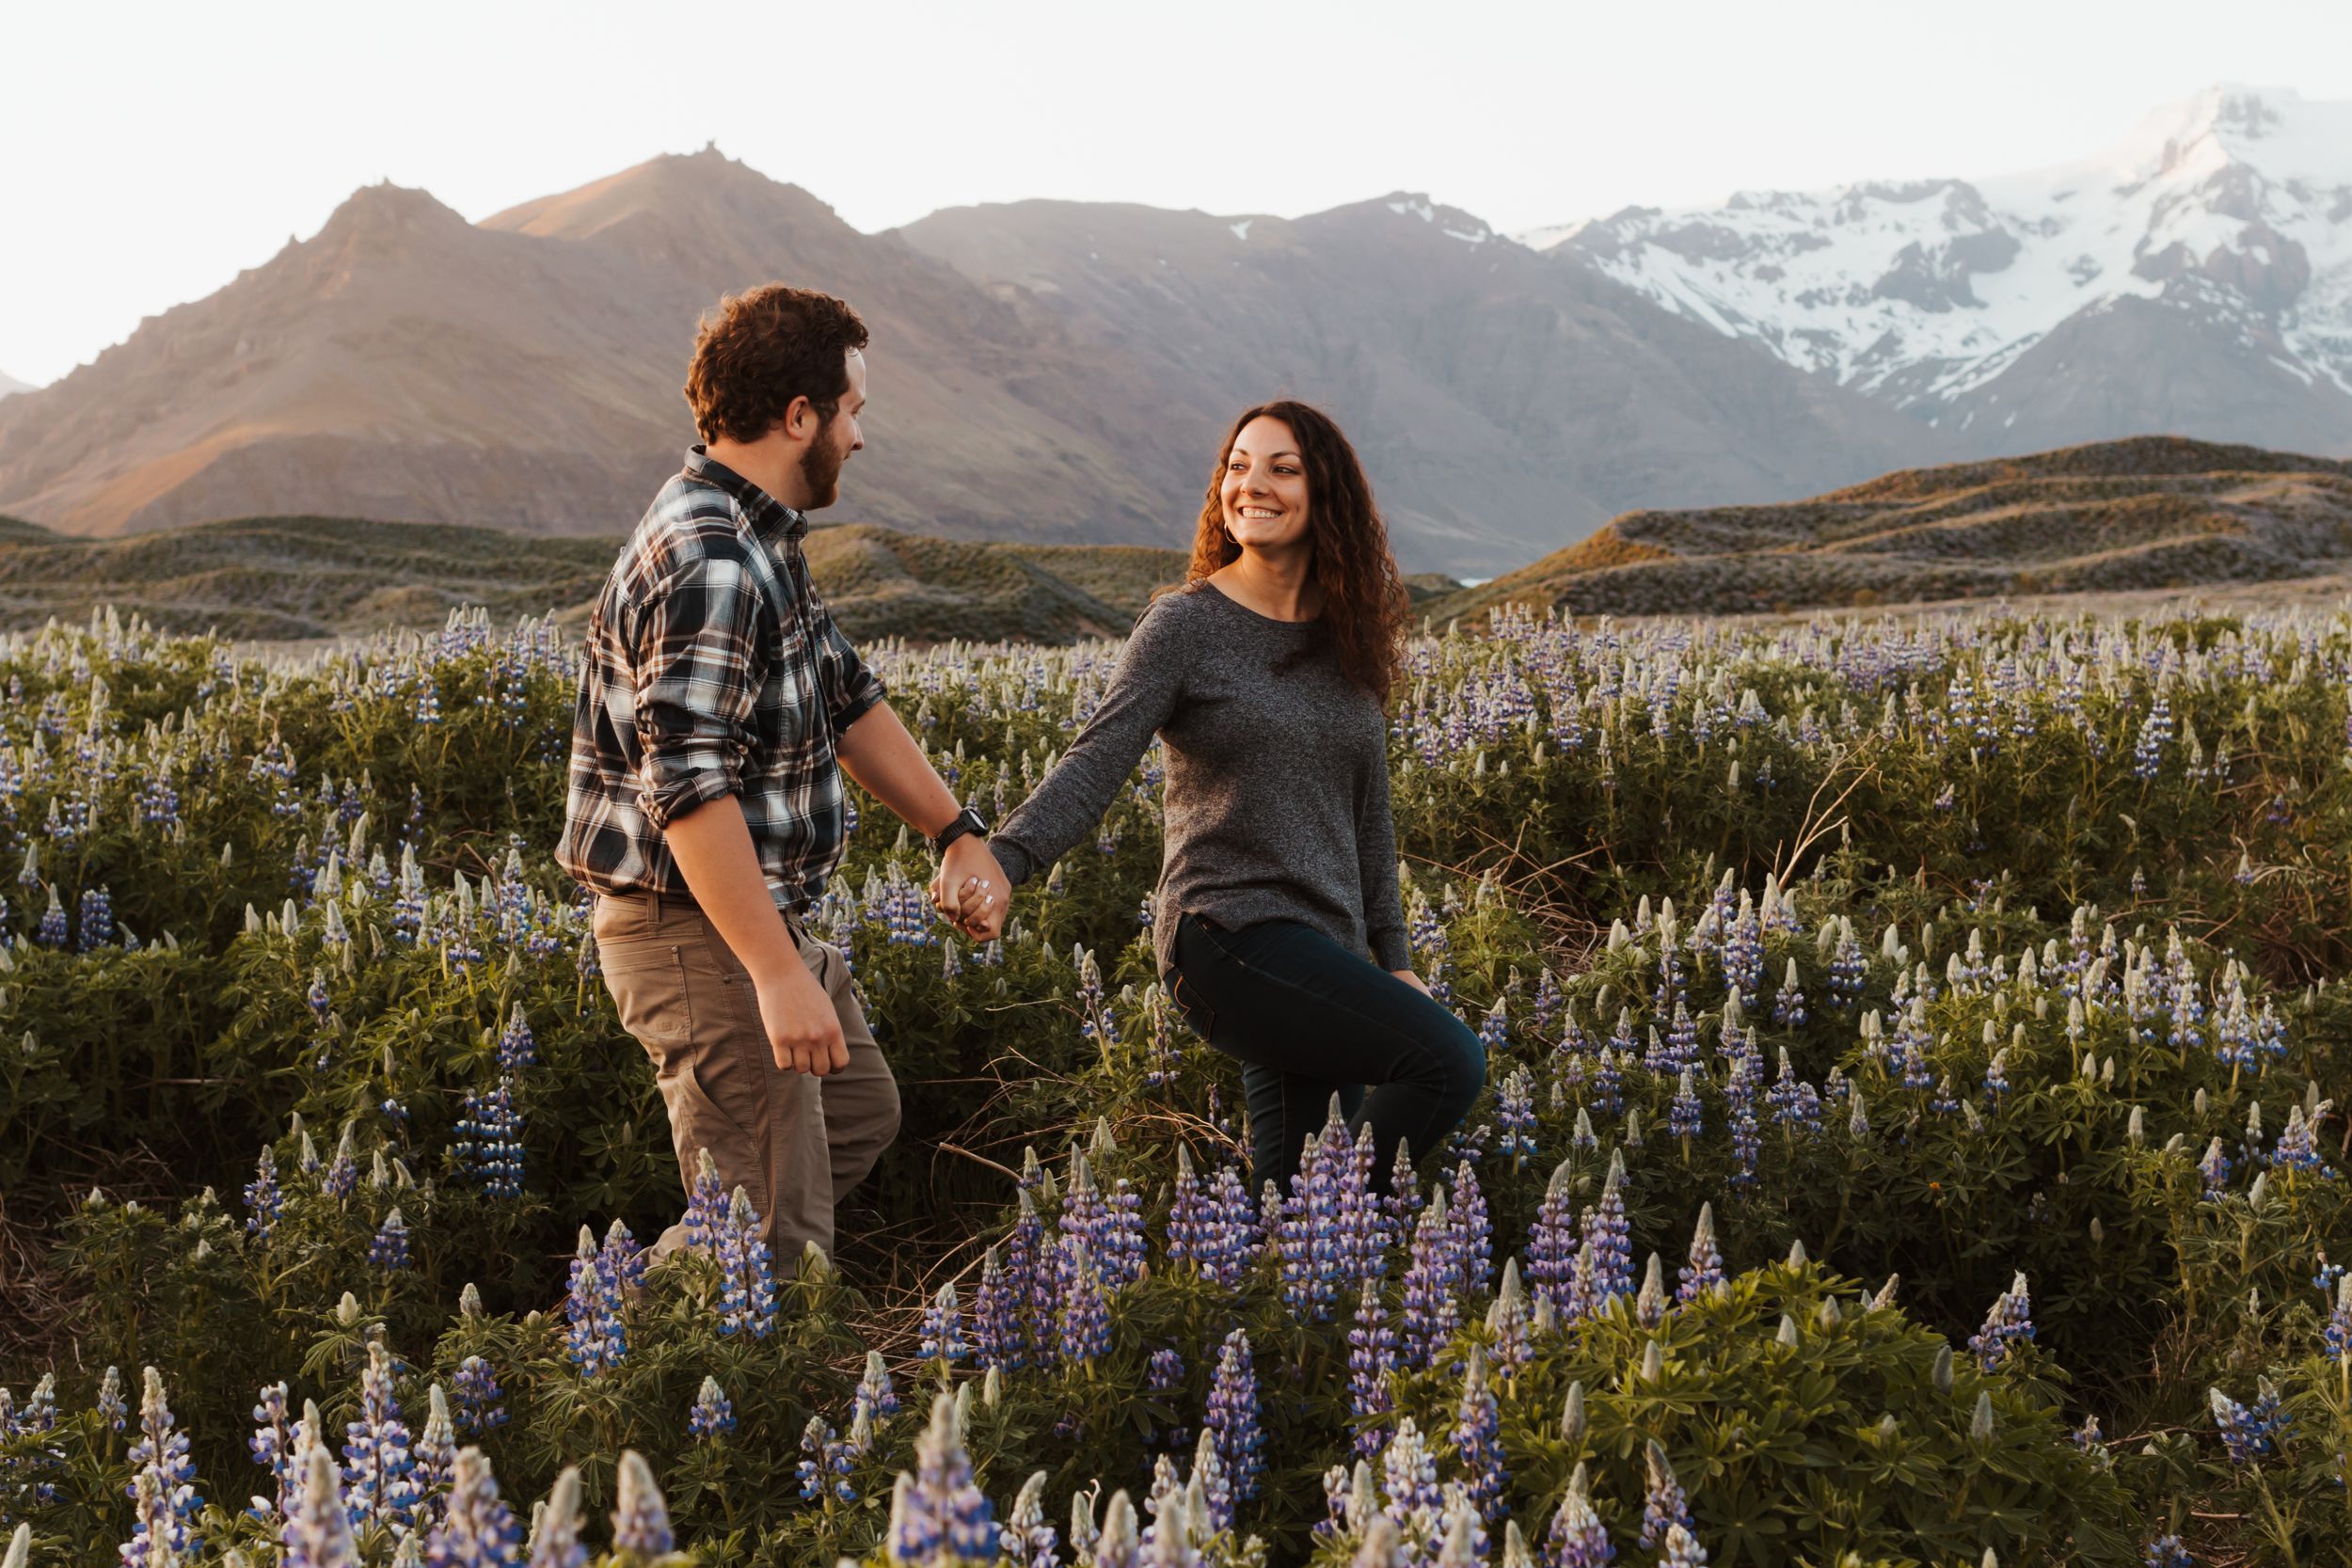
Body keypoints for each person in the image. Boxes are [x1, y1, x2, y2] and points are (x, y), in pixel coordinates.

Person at [557, 282, 1006, 1265]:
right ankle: (624, 1347)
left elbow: (845, 695)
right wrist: (771, 970)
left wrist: (952, 828)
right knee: (778, 1242)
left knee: (854, 1111)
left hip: (747, 912)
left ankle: (662, 1290)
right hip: (695, 927)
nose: (857, 435)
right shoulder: (712, 557)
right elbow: (688, 788)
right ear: (796, 415)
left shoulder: (759, 536)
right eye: (850, 410)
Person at [935, 400, 1485, 1199]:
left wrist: (1394, 961)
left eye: (1281, 468)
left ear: (1325, 492)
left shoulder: (1348, 640)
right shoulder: (1185, 624)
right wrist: (1006, 860)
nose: (1250, 484)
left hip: (1320, 946)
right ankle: (1332, 1226)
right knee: (1449, 1061)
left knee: (1289, 1184)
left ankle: (1285, 1254)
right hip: (1226, 932)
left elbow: (1369, 816)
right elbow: (1097, 759)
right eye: (1237, 465)